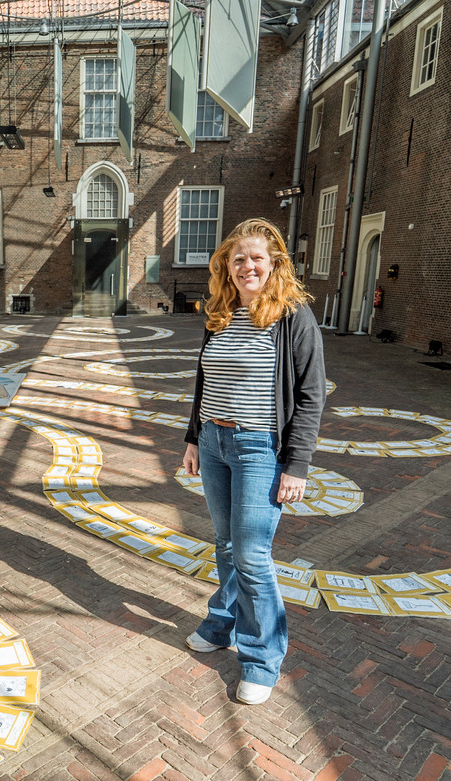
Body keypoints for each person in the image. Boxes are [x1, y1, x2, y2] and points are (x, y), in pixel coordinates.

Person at [181, 218, 326, 705]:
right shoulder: (218, 314)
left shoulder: (293, 316)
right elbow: (205, 383)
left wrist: (297, 464)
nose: (247, 266)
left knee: (251, 554)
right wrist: (193, 438)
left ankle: (262, 657)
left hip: (258, 448)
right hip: (214, 442)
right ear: (226, 266)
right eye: (238, 259)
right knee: (224, 545)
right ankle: (222, 623)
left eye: (257, 258)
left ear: (275, 263)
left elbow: (309, 395)